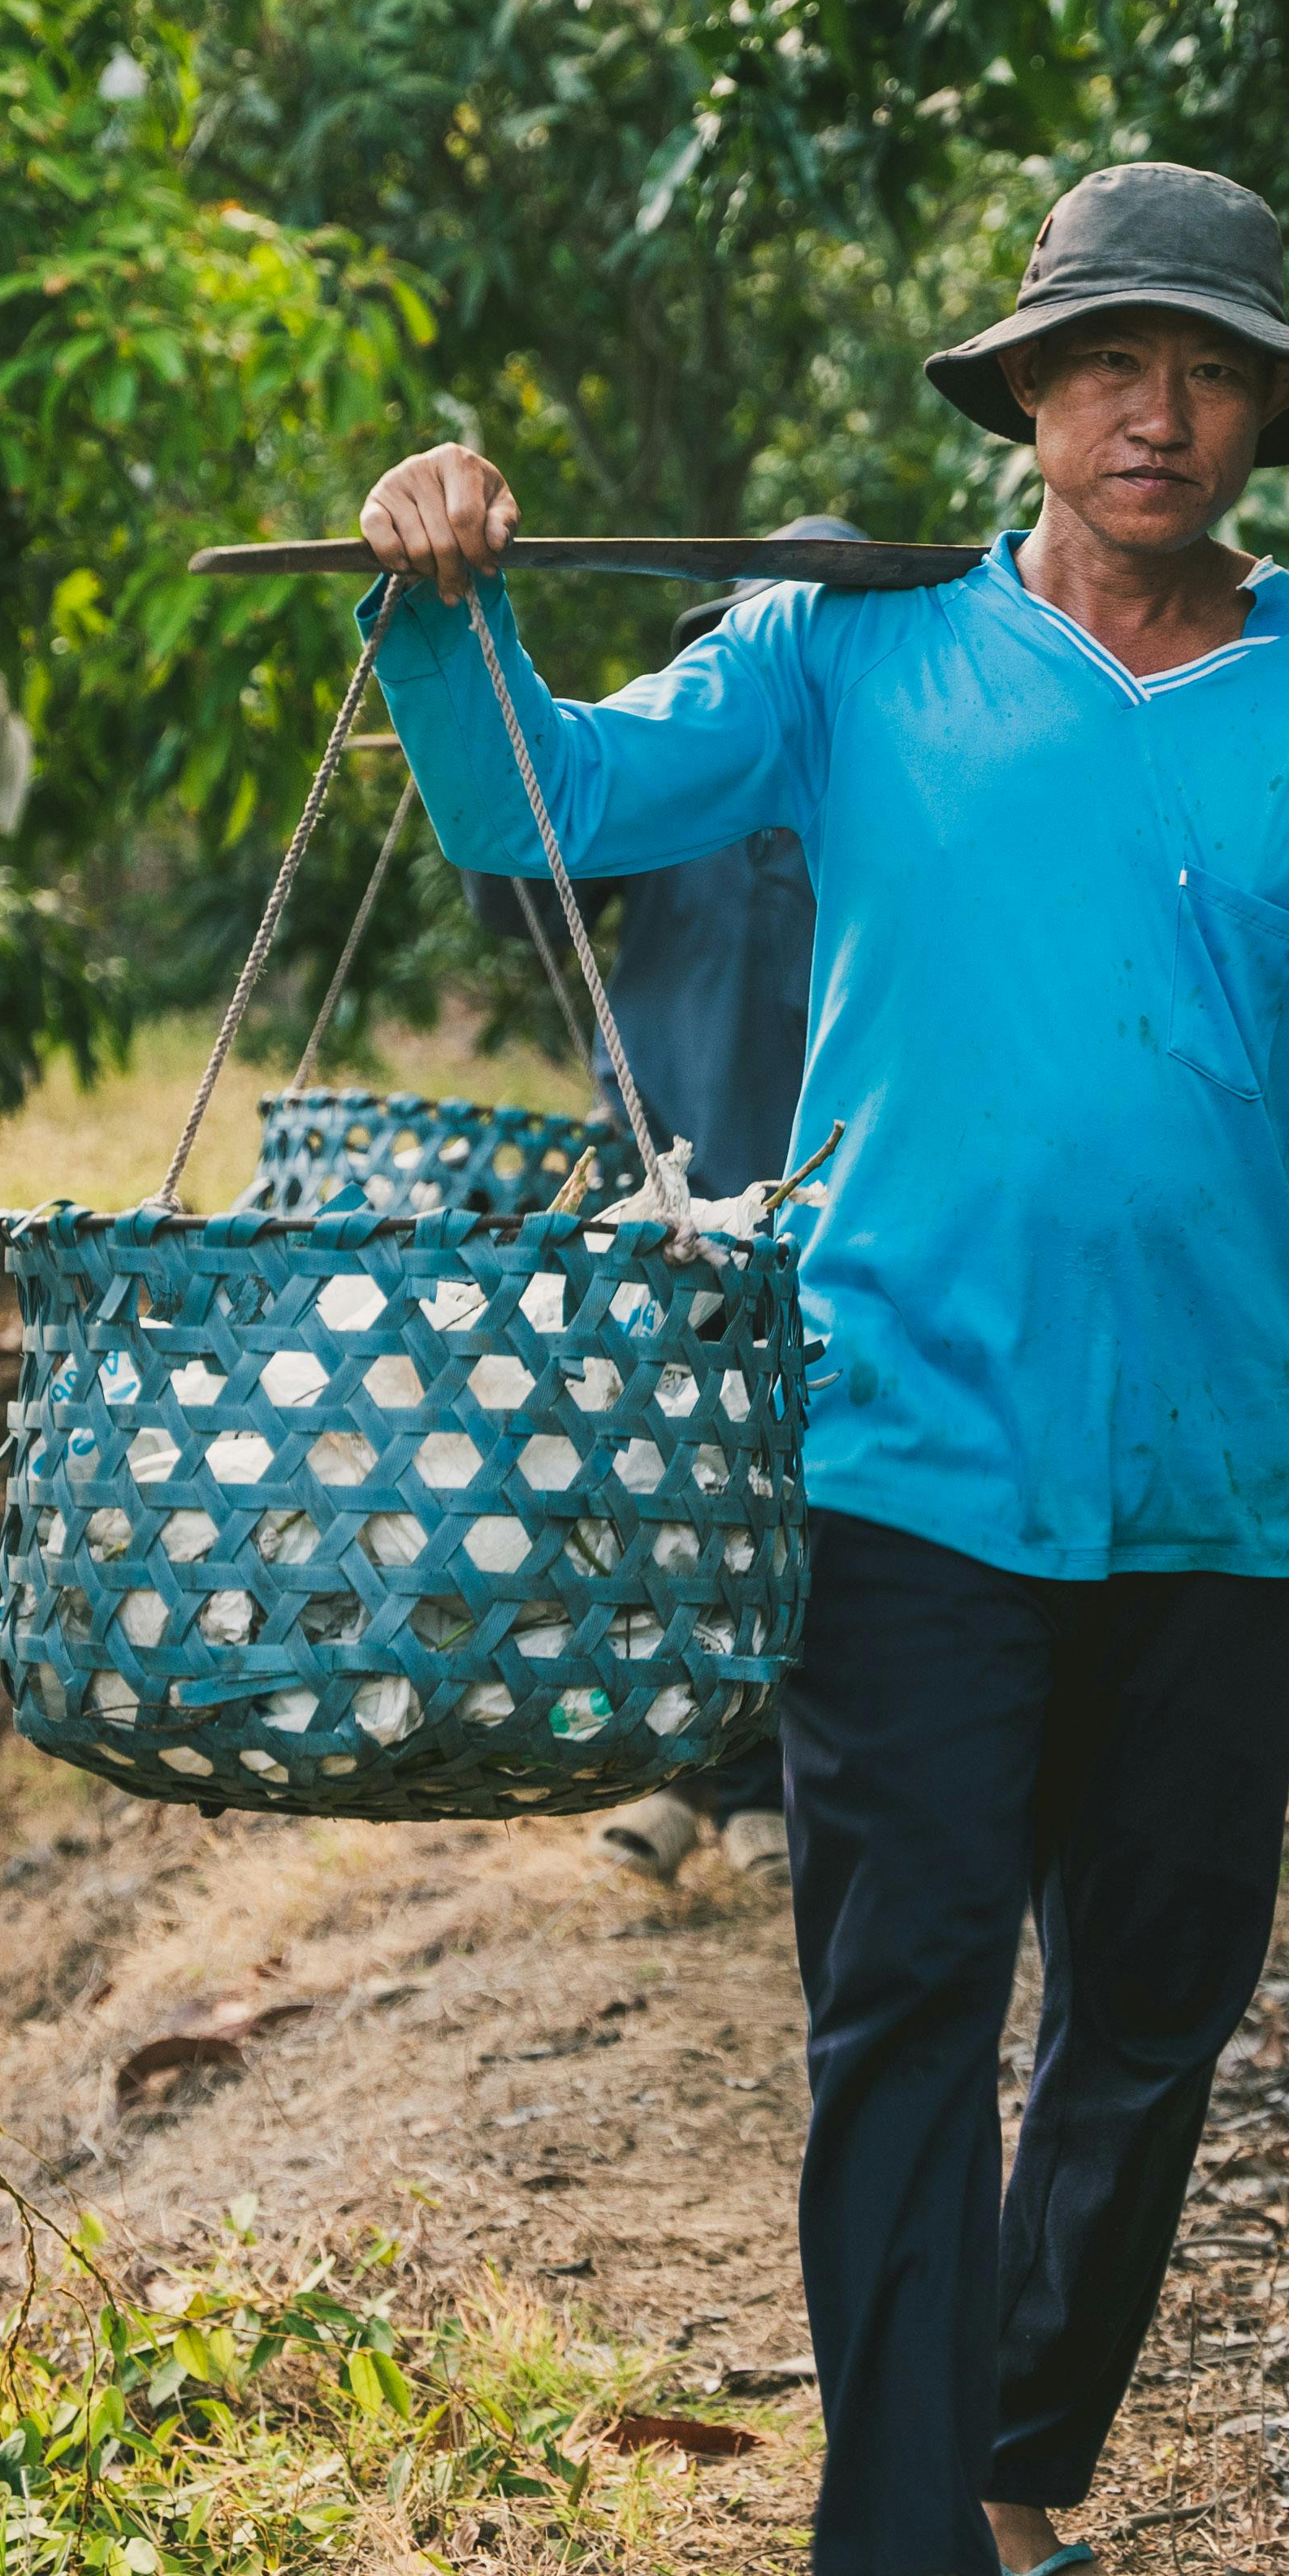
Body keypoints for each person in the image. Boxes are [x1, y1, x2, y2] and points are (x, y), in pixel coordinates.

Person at [356, 163, 1289, 2576]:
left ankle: (1023, 2466)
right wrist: (445, 598)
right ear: (1024, 395)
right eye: (1110, 362)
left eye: (1212, 369)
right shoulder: (853, 647)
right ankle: (916, 2574)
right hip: (905, 1448)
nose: (1158, 410)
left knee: (1148, 2011)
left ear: (1265, 416)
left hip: (1217, 1473)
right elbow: (540, 810)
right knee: (902, 2010)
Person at [465, 519, 861, 1898]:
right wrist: (504, 743)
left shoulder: (888, 791)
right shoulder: (682, 781)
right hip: (666, 1174)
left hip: (848, 1193)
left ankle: (784, 1785)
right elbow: (527, 899)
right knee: (666, 1483)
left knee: (821, 1492)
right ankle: (699, 1774)